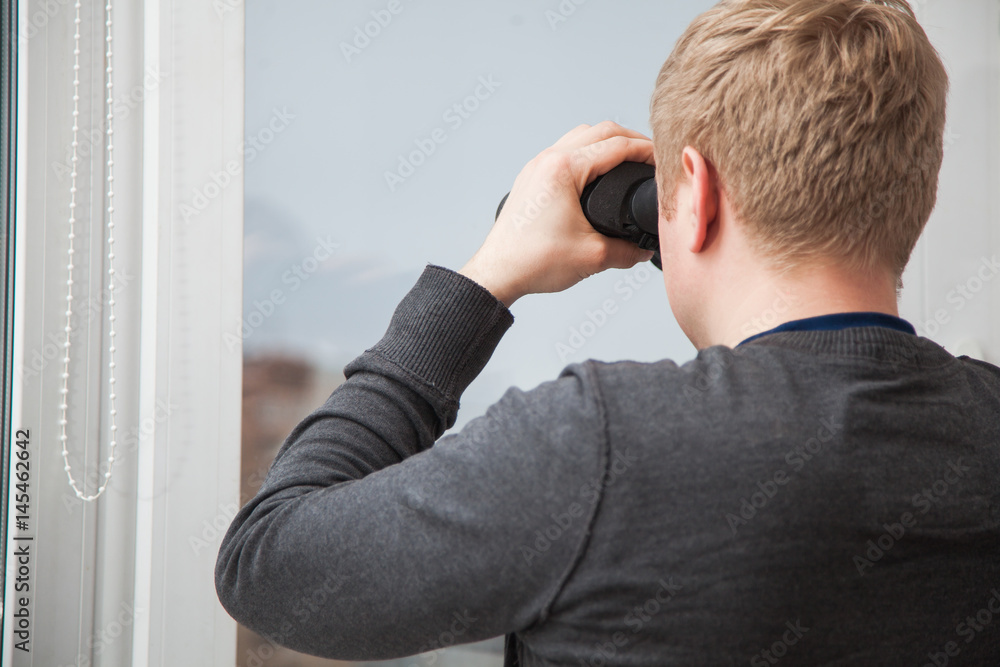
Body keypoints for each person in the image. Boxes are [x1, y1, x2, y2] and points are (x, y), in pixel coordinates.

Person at [216, 0, 1000, 665]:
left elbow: (269, 565)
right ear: (920, 195)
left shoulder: (600, 442)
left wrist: (485, 279)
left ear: (692, 193)